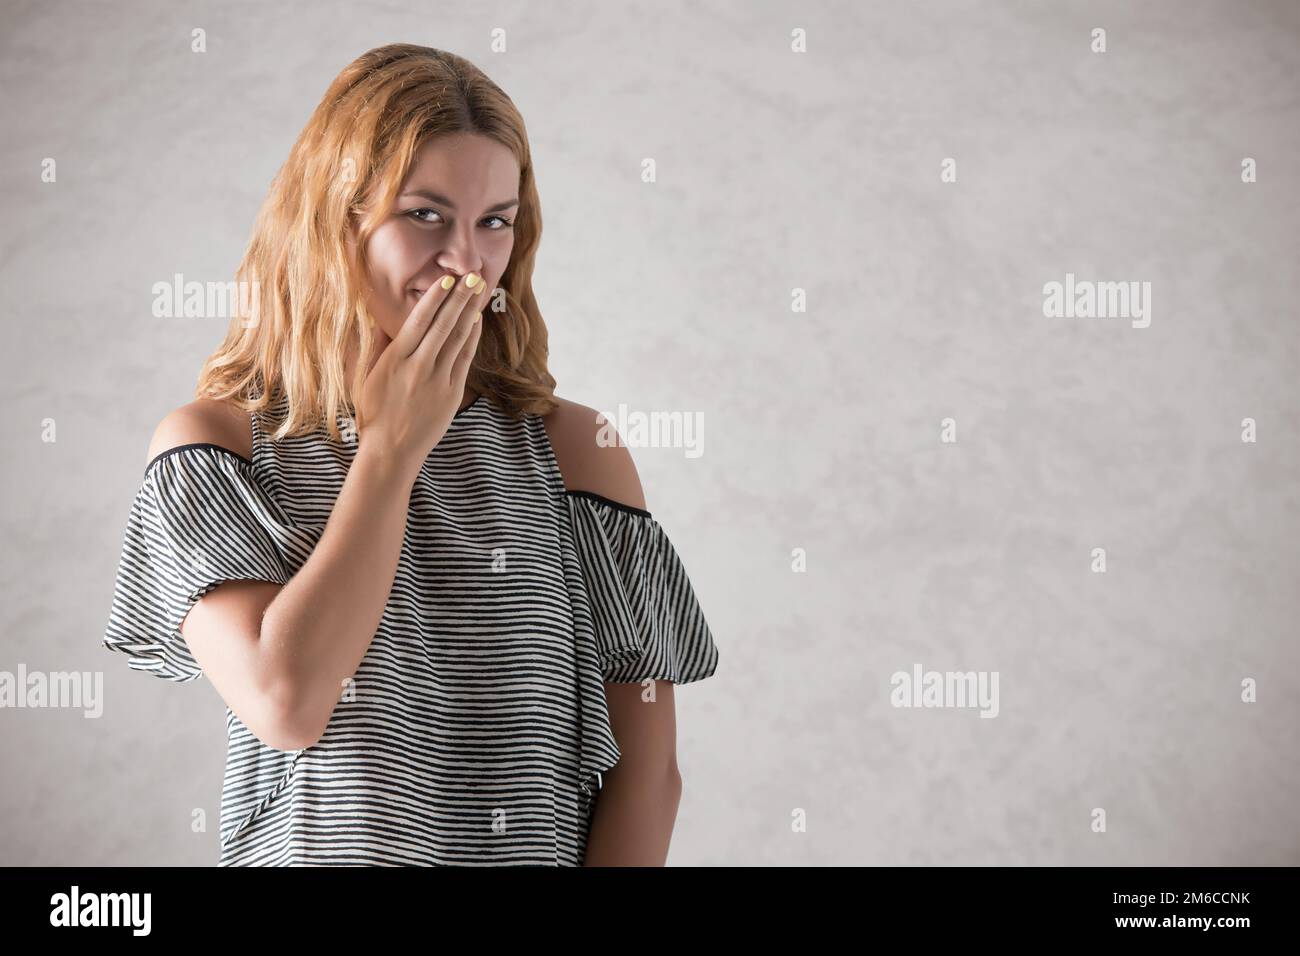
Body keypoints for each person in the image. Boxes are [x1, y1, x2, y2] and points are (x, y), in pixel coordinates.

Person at [100, 43, 719, 866]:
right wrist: (392, 449)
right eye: (424, 214)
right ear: (331, 220)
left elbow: (648, 778)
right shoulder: (217, 448)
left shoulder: (576, 451)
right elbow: (287, 701)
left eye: (493, 221)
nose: (466, 262)